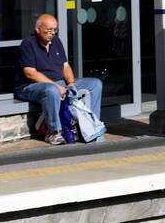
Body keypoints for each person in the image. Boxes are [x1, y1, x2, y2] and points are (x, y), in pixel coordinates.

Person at [15, 13, 104, 145]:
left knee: (95, 84)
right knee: (52, 90)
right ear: (37, 29)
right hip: (31, 86)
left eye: (54, 30)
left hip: (59, 83)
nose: (52, 33)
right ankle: (53, 132)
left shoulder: (55, 41)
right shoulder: (28, 44)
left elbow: (65, 66)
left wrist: (71, 83)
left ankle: (92, 128)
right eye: (48, 30)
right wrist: (56, 86)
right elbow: (30, 73)